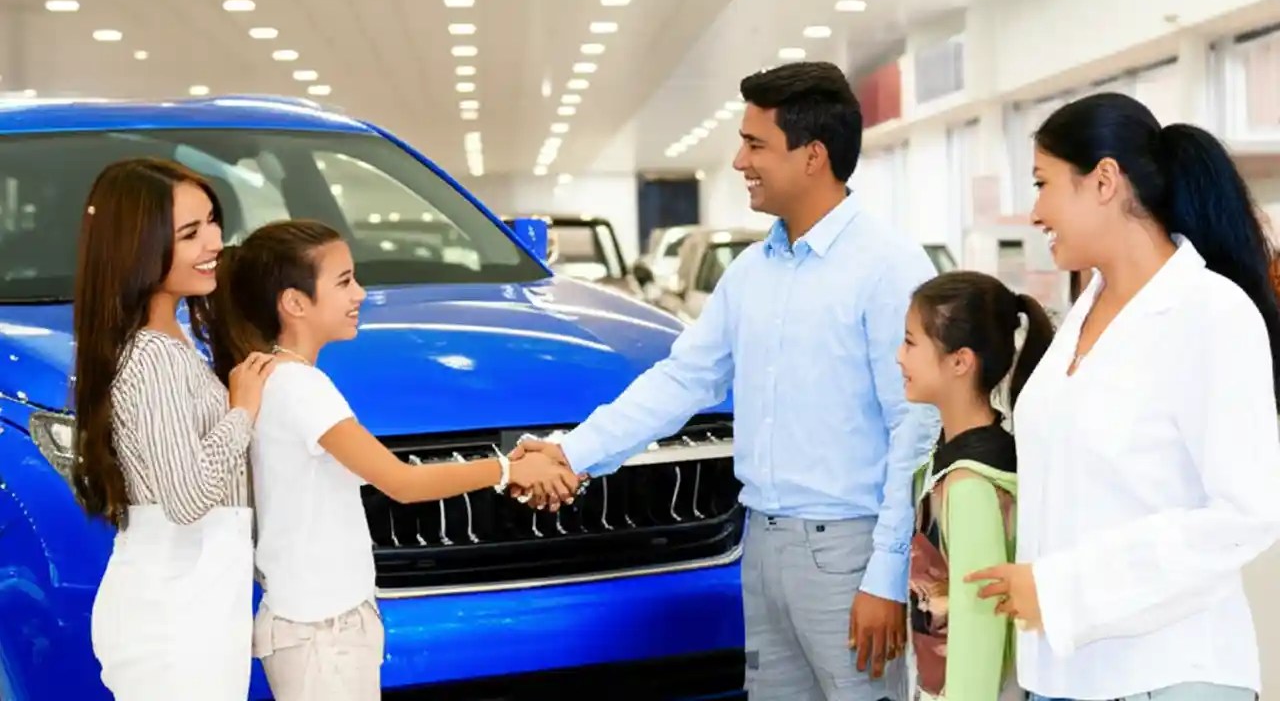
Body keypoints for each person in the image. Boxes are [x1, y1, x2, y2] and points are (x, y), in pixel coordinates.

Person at [513, 61, 939, 700]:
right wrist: (571, 451)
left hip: (848, 553)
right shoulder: (752, 272)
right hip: (760, 544)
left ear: (813, 156)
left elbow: (915, 425)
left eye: (755, 144)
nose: (740, 160)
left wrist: (884, 571)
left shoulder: (886, 267)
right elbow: (682, 380)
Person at [966, 92, 1280, 701]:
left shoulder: (1210, 312)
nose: (1035, 211)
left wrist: (1063, 589)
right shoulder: (1086, 311)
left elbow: (1245, 514)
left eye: (1043, 183)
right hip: (1066, 671)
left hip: (1168, 674)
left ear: (1104, 180)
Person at [201, 219, 579, 701]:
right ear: (295, 303)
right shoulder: (300, 388)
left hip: (318, 624)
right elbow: (400, 482)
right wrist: (509, 469)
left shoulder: (279, 379)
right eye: (343, 282)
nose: (360, 293)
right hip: (322, 629)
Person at [72, 158, 277, 700]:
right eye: (190, 233)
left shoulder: (173, 342)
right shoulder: (153, 358)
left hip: (192, 604)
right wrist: (243, 410)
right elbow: (187, 500)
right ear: (137, 249)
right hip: (176, 618)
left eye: (212, 221)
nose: (214, 241)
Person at [897, 271, 1053, 701]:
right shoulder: (956, 464)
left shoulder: (969, 486)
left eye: (910, 343)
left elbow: (979, 623)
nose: (899, 356)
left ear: (960, 361)